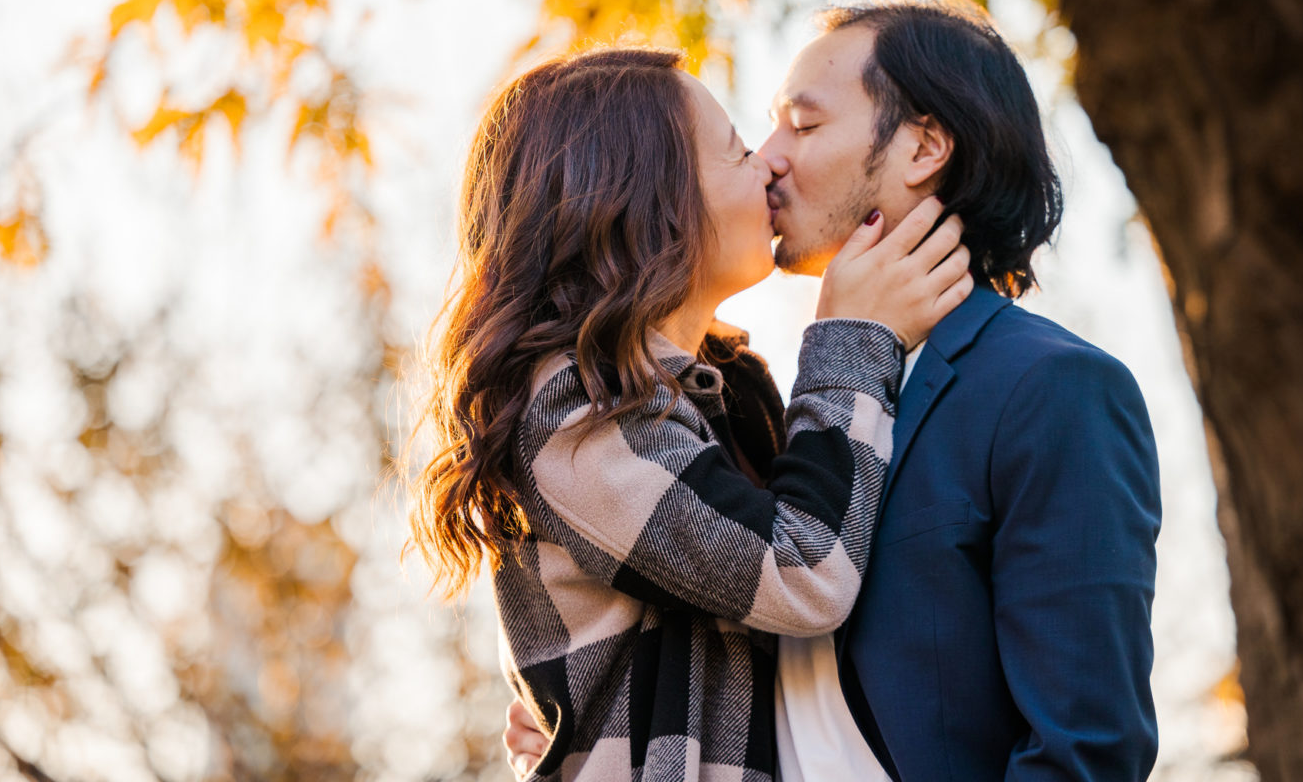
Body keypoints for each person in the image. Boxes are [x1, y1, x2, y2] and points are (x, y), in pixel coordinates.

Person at [506, 0, 1162, 781]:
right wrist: (571, 711)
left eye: (803, 126)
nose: (771, 158)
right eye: (758, 135)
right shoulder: (781, 405)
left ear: (922, 147)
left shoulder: (1050, 389)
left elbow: (1085, 752)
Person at [408, 46, 974, 782]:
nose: (769, 166)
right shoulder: (577, 413)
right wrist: (852, 340)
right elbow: (805, 574)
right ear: (650, 199)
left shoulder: (729, 389)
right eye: (739, 150)